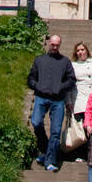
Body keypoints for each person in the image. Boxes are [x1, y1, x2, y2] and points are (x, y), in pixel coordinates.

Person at [27, 34, 75, 171]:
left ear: (60, 45)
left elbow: (71, 80)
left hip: (58, 100)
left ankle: (50, 160)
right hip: (41, 97)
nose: (54, 47)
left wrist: (60, 87)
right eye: (52, 44)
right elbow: (31, 78)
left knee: (55, 131)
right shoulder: (39, 60)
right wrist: (37, 87)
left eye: (57, 45)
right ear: (49, 43)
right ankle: (45, 149)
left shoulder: (65, 62)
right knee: (36, 122)